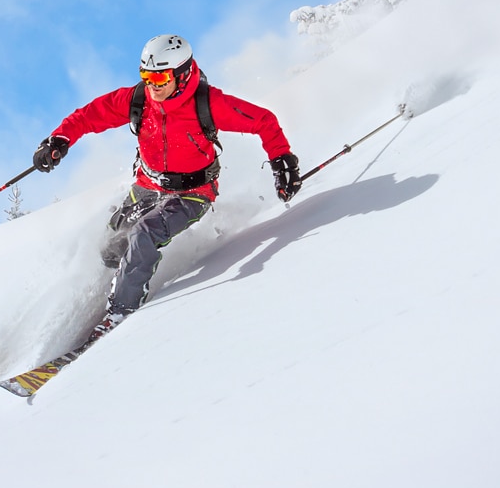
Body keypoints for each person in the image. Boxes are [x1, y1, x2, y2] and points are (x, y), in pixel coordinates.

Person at [31, 34, 300, 330]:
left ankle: (121, 311)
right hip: (148, 185)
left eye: (161, 77)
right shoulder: (138, 99)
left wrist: (281, 159)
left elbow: (263, 120)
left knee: (145, 233)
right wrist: (59, 139)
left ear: (182, 75)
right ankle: (112, 286)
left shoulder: (208, 103)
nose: (153, 84)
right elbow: (89, 116)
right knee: (112, 242)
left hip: (193, 193)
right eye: (147, 75)